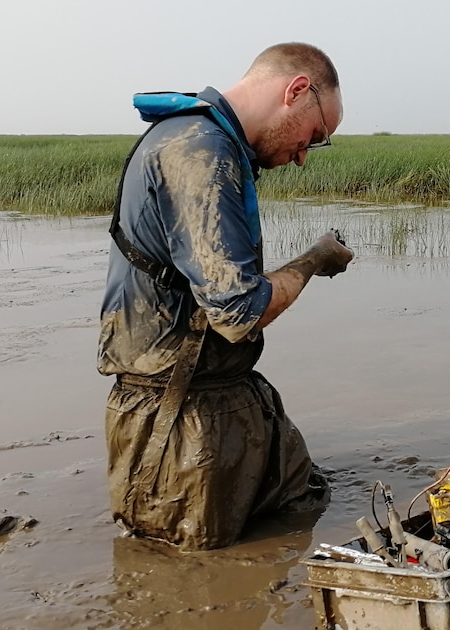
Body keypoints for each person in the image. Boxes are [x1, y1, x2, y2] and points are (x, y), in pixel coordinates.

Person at [98, 42, 353, 551]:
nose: (303, 156)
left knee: (298, 517)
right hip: (177, 415)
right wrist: (314, 260)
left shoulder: (213, 143)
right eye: (314, 136)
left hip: (225, 391)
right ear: (297, 91)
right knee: (186, 571)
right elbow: (239, 312)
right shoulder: (200, 151)